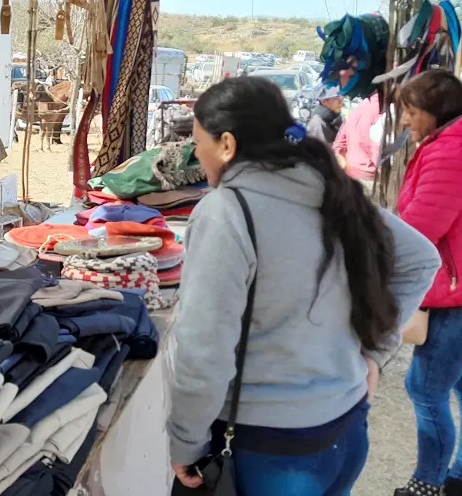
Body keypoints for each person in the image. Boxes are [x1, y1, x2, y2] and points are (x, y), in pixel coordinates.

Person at [168, 77, 439, 496]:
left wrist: (186, 442)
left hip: (272, 449)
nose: (196, 154)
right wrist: (373, 353)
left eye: (197, 142)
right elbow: (420, 259)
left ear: (227, 144)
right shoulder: (333, 191)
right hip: (345, 431)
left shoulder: (226, 211)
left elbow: (204, 348)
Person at [394, 70, 462, 496]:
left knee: (425, 388)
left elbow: (419, 230)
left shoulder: (450, 151)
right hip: (456, 286)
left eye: (411, 111)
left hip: (452, 292)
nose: (404, 120)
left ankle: (428, 484)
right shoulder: (447, 144)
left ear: (437, 111)